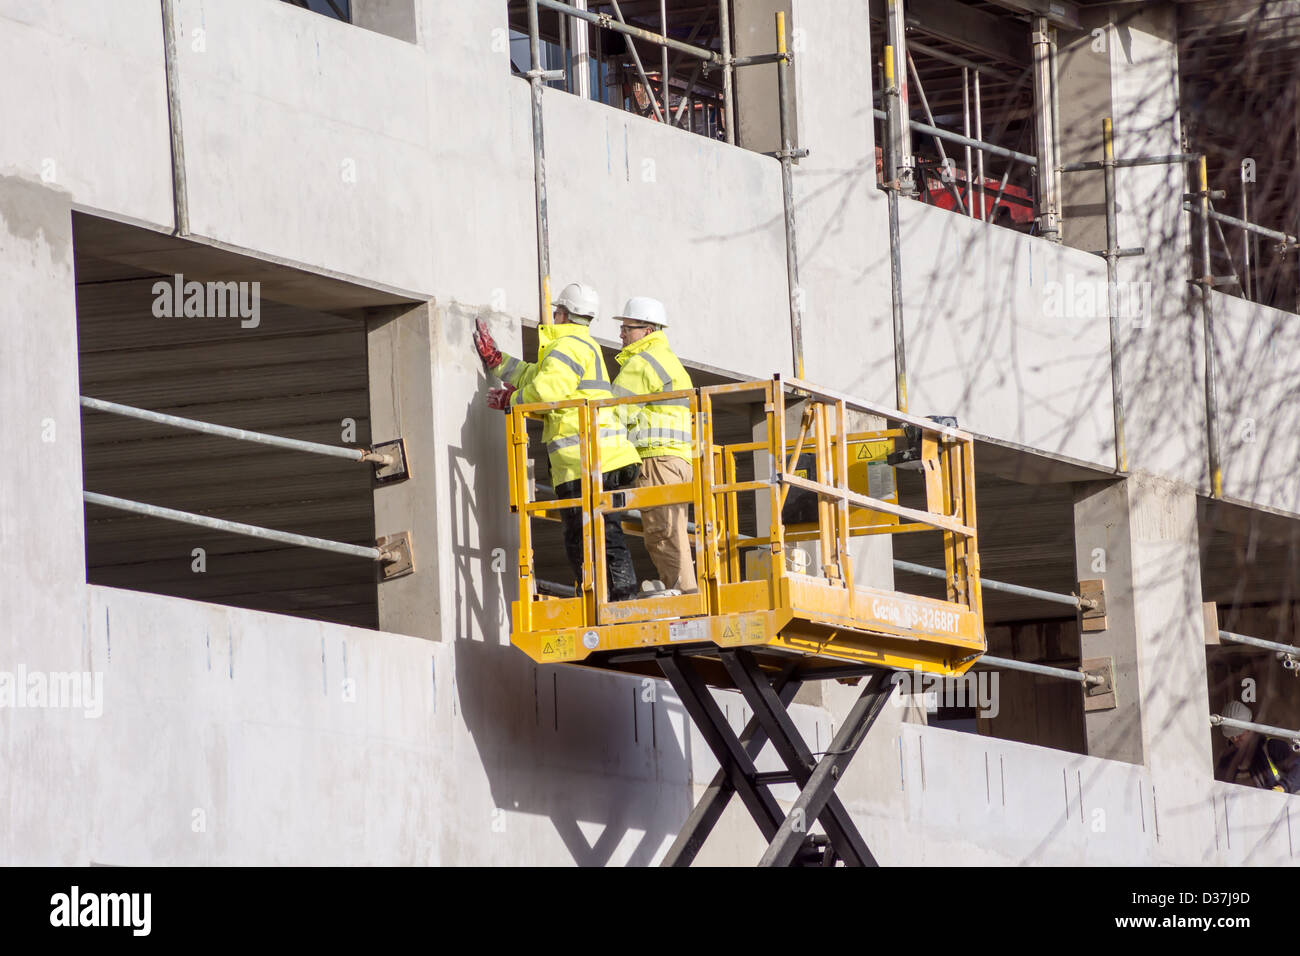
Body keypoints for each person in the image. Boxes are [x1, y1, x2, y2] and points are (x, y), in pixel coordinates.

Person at [473, 283, 642, 601]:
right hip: (606, 458)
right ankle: (616, 596)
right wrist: (498, 362)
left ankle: (608, 599)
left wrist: (513, 399)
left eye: (555, 312)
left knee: (585, 536)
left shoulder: (565, 347)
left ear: (563, 314)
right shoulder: (580, 345)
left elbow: (547, 391)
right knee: (603, 530)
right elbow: (537, 375)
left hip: (586, 461)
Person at [611, 297, 697, 594]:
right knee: (673, 531)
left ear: (647, 330)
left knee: (663, 532)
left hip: (657, 459)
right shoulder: (671, 361)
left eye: (627, 328)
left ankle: (684, 595)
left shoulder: (642, 363)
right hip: (678, 461)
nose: (621, 333)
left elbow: (613, 414)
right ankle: (683, 590)